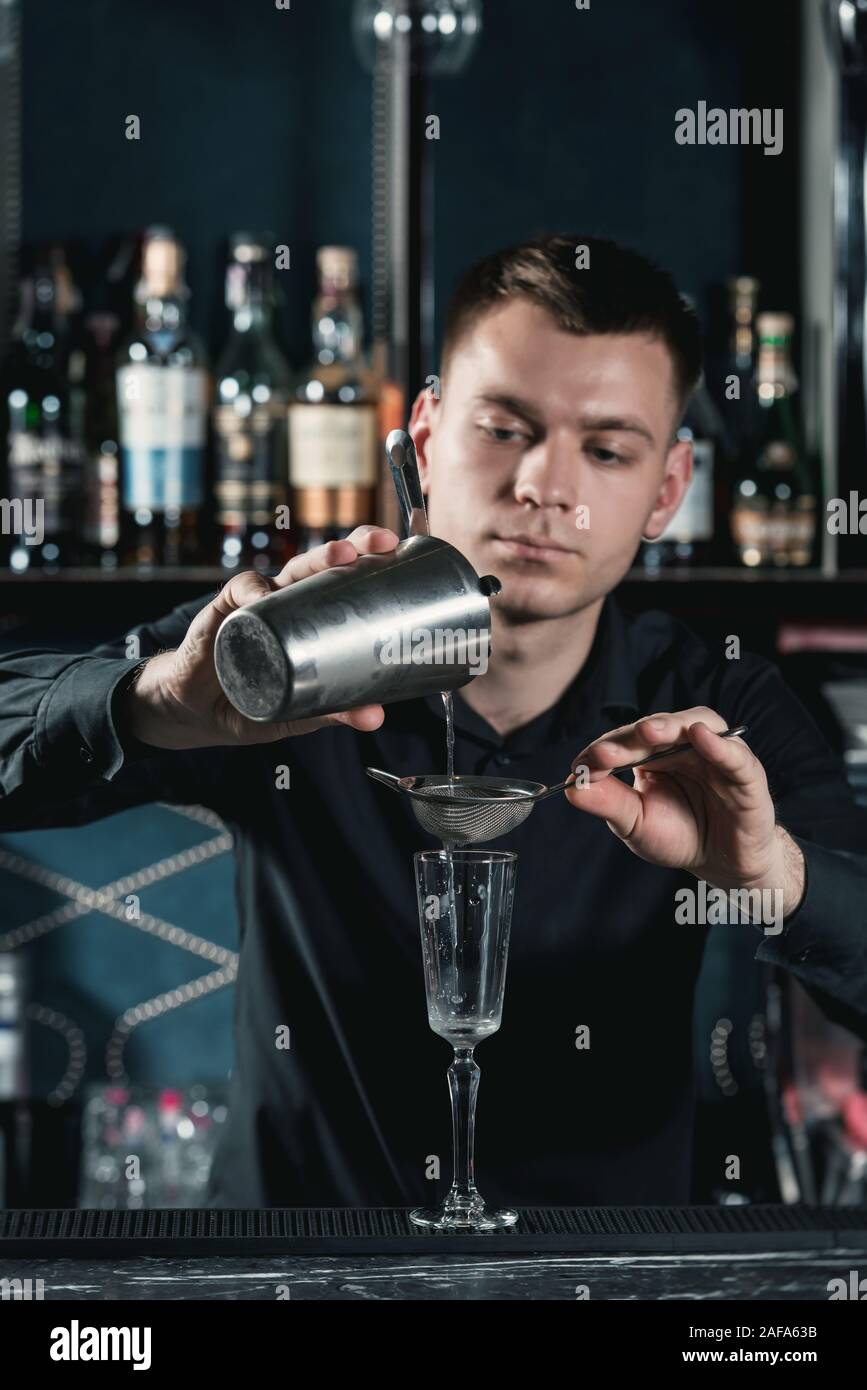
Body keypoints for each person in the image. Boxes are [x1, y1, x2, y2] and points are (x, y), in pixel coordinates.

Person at [1, 235, 865, 1209]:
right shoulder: (293, 654)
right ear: (424, 439)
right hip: (297, 1289)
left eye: (608, 449)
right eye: (504, 429)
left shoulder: (718, 705)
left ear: (667, 488)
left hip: (595, 1292)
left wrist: (771, 877)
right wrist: (160, 702)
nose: (546, 485)